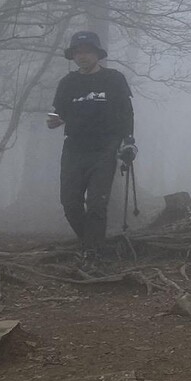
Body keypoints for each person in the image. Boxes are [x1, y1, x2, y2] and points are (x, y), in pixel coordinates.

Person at [47, 31, 135, 252]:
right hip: (74, 148)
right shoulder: (67, 83)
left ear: (97, 54)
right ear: (73, 56)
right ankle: (91, 244)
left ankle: (94, 255)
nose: (82, 56)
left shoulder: (114, 79)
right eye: (77, 52)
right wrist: (54, 121)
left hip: (105, 148)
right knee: (70, 203)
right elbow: (57, 114)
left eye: (87, 51)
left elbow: (126, 112)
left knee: (97, 204)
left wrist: (129, 141)